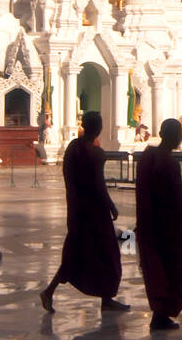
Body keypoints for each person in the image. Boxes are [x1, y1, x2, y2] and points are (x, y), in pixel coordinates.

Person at [40, 111, 128, 313]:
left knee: (76, 252)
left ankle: (50, 292)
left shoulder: (73, 147)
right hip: (94, 211)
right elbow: (98, 184)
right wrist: (110, 205)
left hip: (77, 209)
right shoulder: (94, 153)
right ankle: (105, 298)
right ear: (98, 128)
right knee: (107, 253)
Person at [135, 118, 182, 331]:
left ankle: (159, 314)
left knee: (157, 270)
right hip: (167, 226)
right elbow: (179, 196)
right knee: (173, 270)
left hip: (150, 224)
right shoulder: (169, 162)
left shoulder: (147, 157)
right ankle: (160, 315)